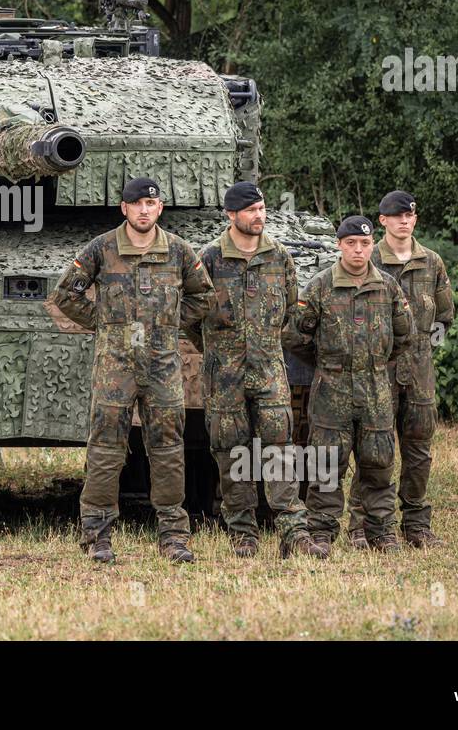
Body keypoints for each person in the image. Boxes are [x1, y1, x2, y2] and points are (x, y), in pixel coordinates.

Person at [49, 177, 212, 564]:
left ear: (160, 208)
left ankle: (174, 536)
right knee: (106, 450)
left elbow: (202, 295)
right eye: (136, 204)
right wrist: (105, 322)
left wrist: (169, 323)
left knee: (169, 450)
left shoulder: (177, 250)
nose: (144, 210)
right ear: (124, 208)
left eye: (151, 204)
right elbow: (65, 294)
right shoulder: (102, 248)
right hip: (115, 366)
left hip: (162, 366)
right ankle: (97, 535)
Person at [199, 181, 325, 558]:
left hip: (270, 372)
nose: (260, 216)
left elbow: (290, 313)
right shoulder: (209, 260)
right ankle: (243, 532)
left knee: (280, 449)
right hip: (225, 376)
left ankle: (294, 531)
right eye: (252, 210)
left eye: (263, 208)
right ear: (232, 215)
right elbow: (193, 317)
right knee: (231, 450)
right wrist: (219, 350)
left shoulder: (280, 256)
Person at [283, 215, 413, 552]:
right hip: (332, 391)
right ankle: (322, 531)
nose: (358, 250)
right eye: (351, 243)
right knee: (327, 465)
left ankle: (381, 531)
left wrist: (373, 363)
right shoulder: (321, 286)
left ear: (373, 245)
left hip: (375, 390)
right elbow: (296, 337)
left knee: (379, 464)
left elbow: (405, 335)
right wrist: (328, 363)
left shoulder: (387, 286)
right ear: (340, 245)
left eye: (365, 243)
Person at [346, 190, 454, 549]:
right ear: (383, 222)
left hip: (419, 373)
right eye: (396, 216)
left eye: (409, 216)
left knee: (419, 449)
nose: (404, 221)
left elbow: (444, 315)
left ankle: (417, 526)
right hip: (378, 372)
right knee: (373, 449)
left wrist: (422, 351)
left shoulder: (431, 262)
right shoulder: (369, 260)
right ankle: (362, 525)